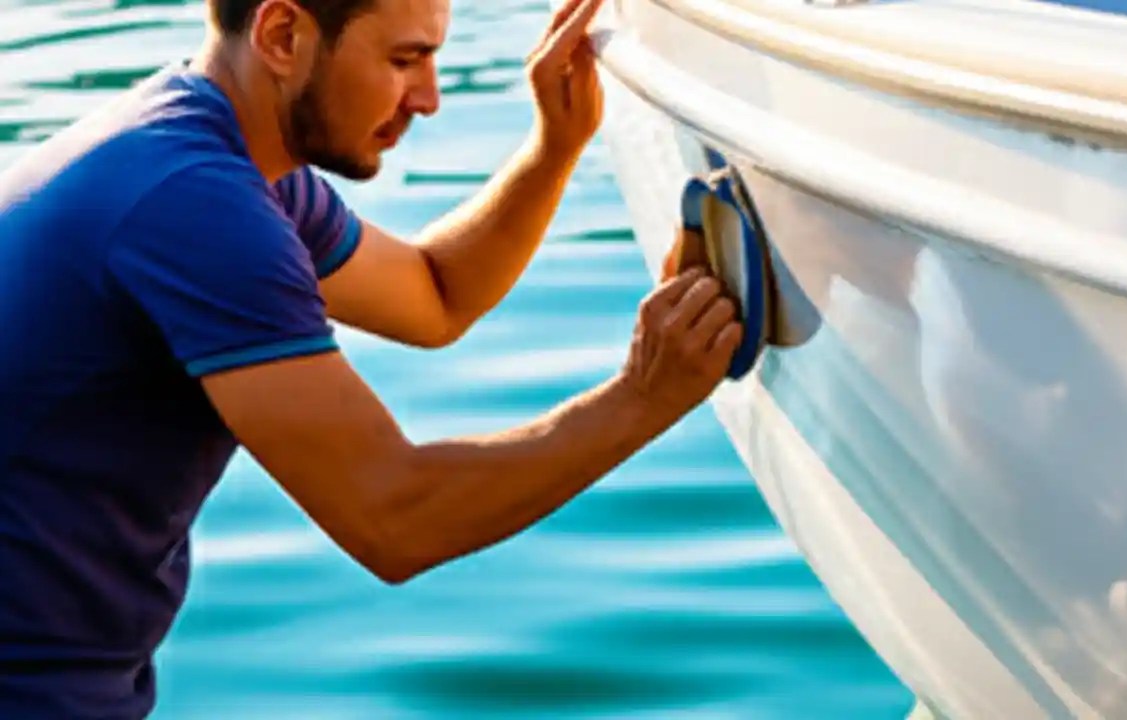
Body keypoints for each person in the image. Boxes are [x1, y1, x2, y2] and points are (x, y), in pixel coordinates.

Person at [0, 0, 744, 714]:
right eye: (405, 59)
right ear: (284, 35)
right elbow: (394, 519)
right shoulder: (193, 203)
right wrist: (643, 398)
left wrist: (555, 147)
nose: (429, 98)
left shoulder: (210, 154)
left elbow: (435, 295)